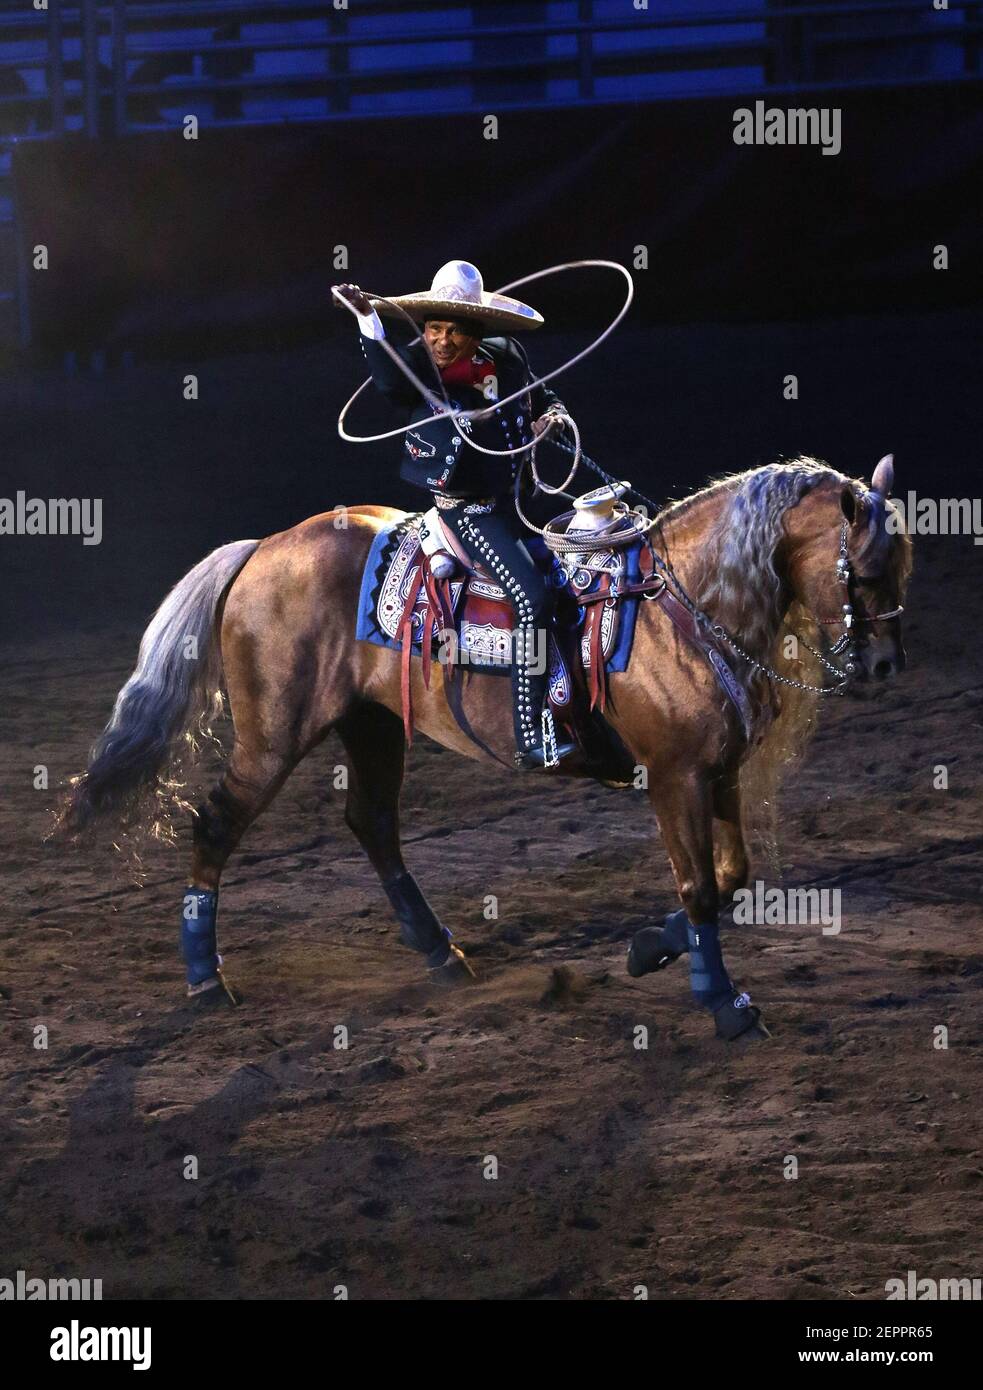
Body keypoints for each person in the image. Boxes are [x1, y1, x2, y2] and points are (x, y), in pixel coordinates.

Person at [335, 259, 577, 770]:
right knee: (532, 597)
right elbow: (390, 386)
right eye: (434, 329)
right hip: (472, 509)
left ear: (477, 332)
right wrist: (367, 320)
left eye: (454, 331)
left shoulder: (506, 356)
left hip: (519, 501)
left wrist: (552, 413)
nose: (441, 341)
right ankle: (531, 732)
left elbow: (540, 392)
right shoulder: (417, 365)